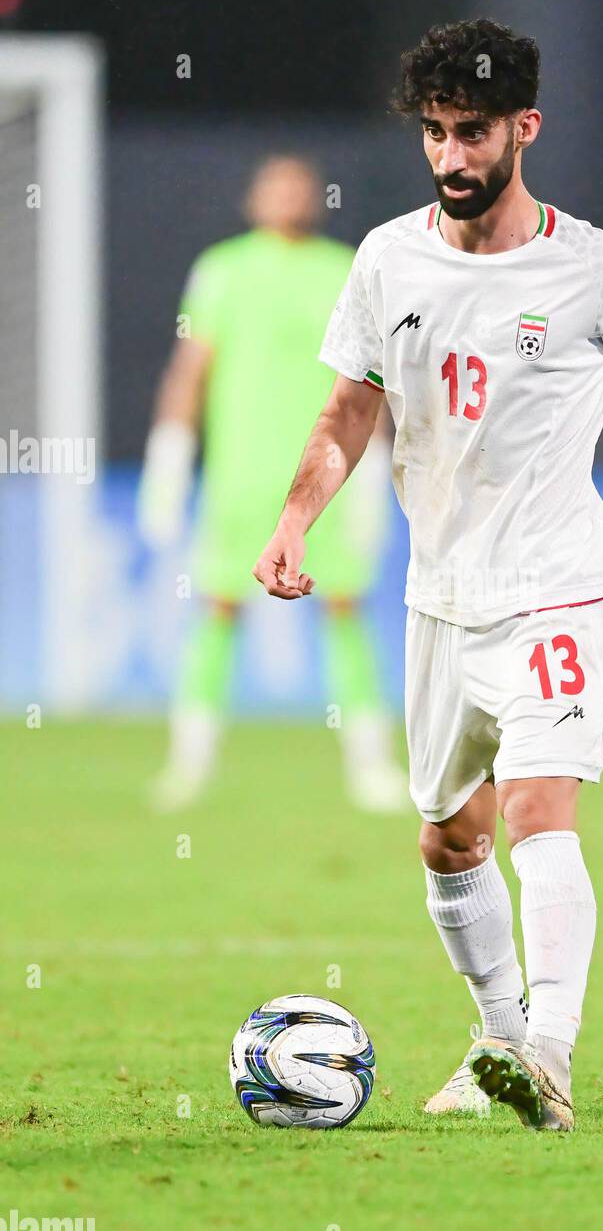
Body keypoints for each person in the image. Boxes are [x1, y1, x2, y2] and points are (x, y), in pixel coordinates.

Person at [253, 21, 603, 1131]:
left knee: (536, 812)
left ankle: (553, 1057)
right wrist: (296, 517)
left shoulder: (597, 269)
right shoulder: (387, 260)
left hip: (560, 581)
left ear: (524, 128)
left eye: (470, 132)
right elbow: (349, 408)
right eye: (433, 133)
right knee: (447, 836)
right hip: (442, 597)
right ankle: (498, 1036)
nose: (449, 156)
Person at [138, 155, 407, 813]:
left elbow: (371, 376)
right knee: (218, 608)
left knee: (345, 607)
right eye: (275, 186)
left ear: (315, 198)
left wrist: (377, 463)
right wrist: (170, 453)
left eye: (299, 187)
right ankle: (188, 764)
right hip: (240, 477)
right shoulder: (222, 269)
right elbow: (192, 366)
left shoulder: (344, 268)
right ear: (253, 198)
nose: (287, 197)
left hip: (325, 476)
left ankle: (371, 766)